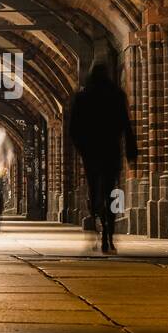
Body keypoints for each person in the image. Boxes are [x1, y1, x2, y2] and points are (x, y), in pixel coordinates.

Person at [68, 62, 137, 253]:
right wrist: (131, 150)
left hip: (91, 152)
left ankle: (96, 229)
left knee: (94, 191)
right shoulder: (116, 95)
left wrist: (82, 148)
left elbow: (73, 129)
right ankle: (109, 233)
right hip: (111, 150)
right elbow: (126, 125)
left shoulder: (82, 97)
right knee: (109, 190)